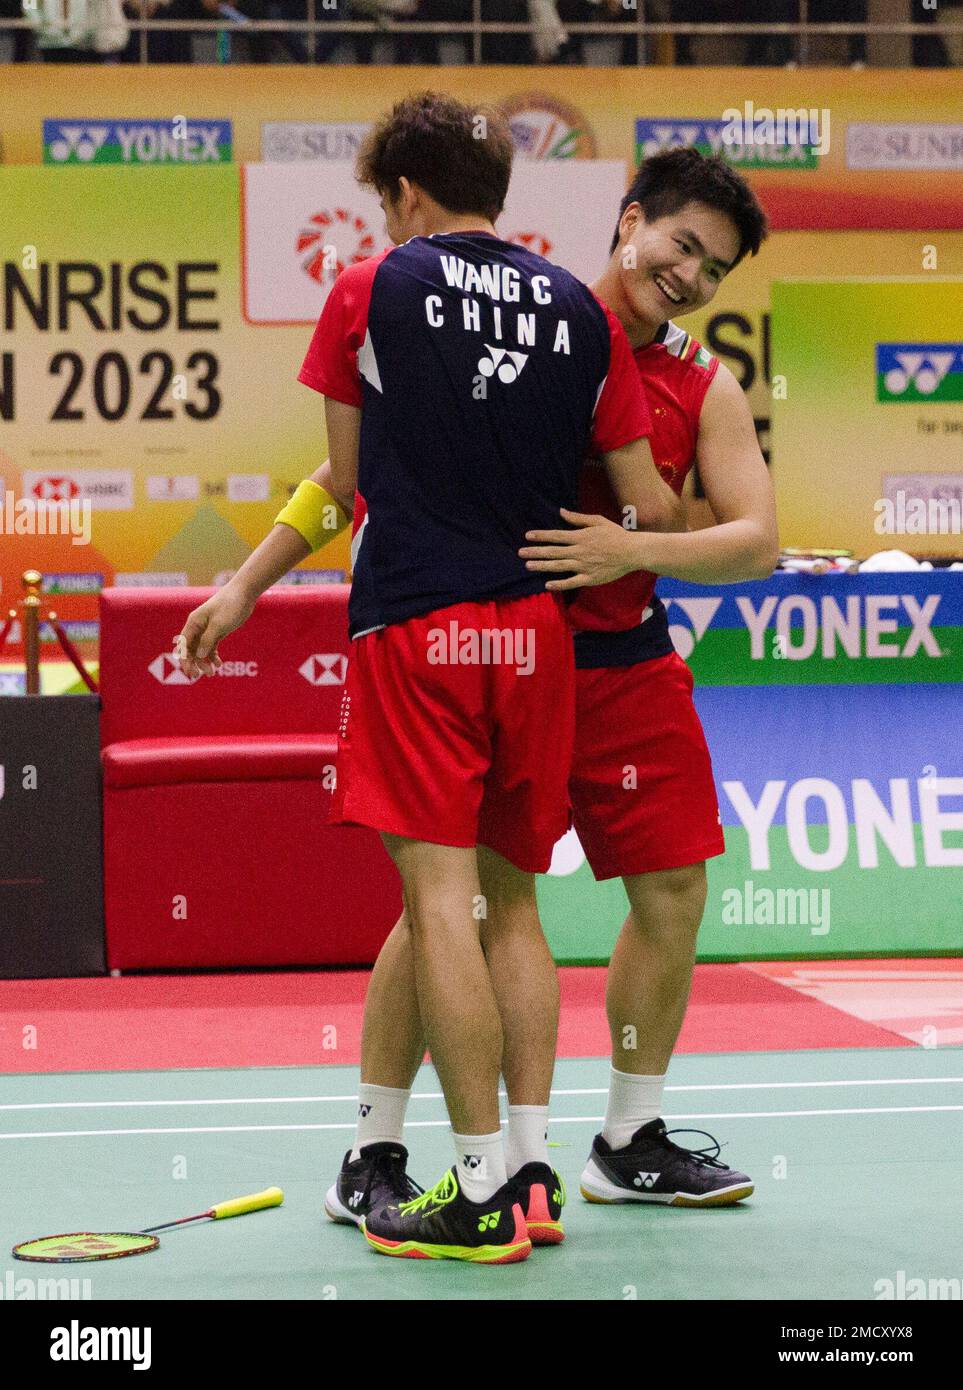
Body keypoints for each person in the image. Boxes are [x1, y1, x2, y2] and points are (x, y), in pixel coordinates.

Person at [175, 92, 681, 1265]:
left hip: (418, 628)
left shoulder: (369, 288)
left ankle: (470, 1191)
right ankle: (532, 1165)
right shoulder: (579, 311)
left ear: (403, 193)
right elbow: (647, 505)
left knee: (437, 899)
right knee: (515, 904)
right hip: (536, 639)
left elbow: (347, 484)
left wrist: (249, 584)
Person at [336, 145, 777, 1229]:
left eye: (712, 268)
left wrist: (637, 556)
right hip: (499, 651)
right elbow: (371, 465)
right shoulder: (531, 323)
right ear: (631, 219)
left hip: (623, 663)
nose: (688, 275)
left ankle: (627, 1136)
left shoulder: (699, 382)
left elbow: (757, 541)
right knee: (453, 903)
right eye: (680, 244)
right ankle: (376, 1144)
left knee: (673, 890)